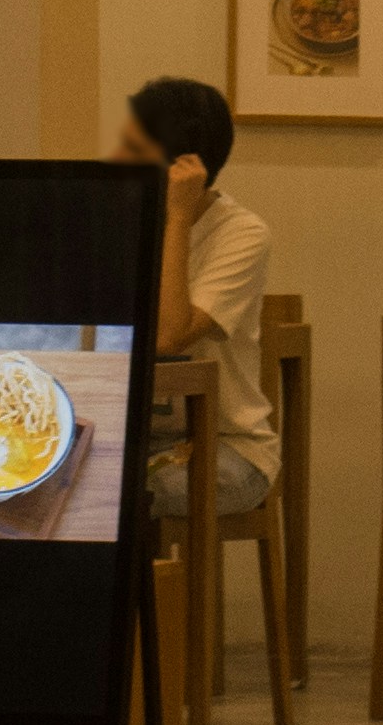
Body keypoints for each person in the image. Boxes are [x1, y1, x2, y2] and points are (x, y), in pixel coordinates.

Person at [114, 75, 275, 523]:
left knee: (125, 495)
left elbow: (168, 337)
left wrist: (178, 215)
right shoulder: (119, 222)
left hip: (225, 448)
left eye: (132, 150)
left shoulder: (242, 234)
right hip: (130, 438)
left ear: (182, 169)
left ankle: (153, 596)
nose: (115, 161)